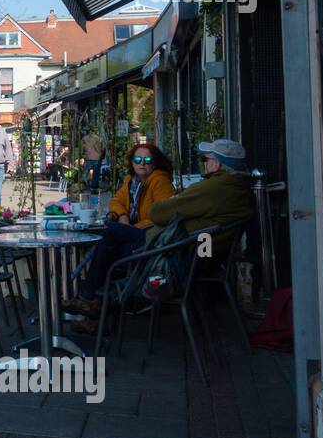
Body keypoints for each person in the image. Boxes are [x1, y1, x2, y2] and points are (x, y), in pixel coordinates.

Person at [63, 139, 254, 328]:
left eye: (205, 159)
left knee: (110, 244)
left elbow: (159, 213)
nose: (204, 163)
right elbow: (118, 200)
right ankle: (94, 308)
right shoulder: (237, 188)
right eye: (137, 160)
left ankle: (91, 304)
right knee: (112, 240)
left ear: (217, 164)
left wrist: (175, 202)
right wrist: (122, 215)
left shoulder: (214, 188)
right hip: (186, 247)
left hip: (175, 252)